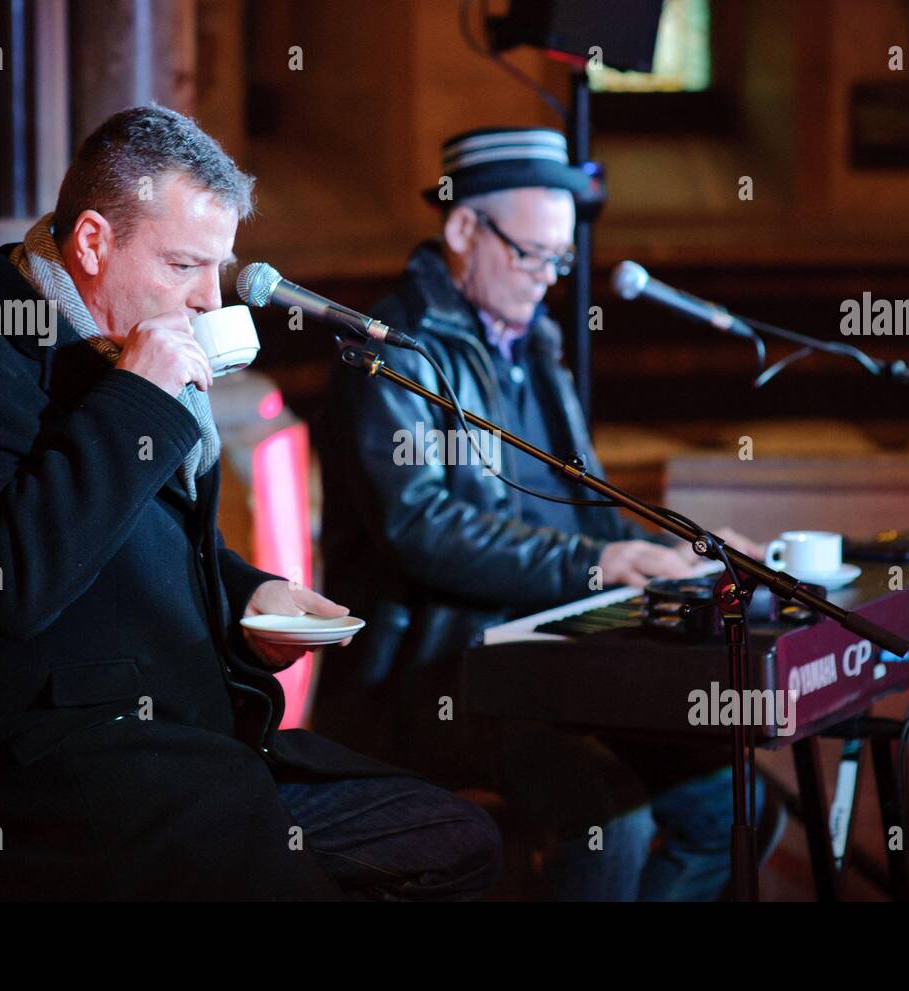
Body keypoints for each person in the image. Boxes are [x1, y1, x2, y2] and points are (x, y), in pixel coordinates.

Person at [0, 105, 500, 901]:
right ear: (94, 243)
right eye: (184, 266)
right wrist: (137, 397)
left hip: (179, 754)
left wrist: (247, 597)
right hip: (58, 795)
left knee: (454, 838)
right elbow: (7, 576)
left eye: (220, 266)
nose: (213, 298)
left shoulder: (114, 348)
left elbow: (136, 545)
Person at [312, 126, 782, 900]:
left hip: (549, 659)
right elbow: (421, 525)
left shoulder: (536, 344)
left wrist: (686, 554)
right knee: (608, 814)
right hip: (431, 674)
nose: (548, 278)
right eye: (532, 254)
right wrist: (596, 565)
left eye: (560, 260)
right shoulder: (390, 351)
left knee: (738, 803)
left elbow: (587, 508)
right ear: (464, 227)